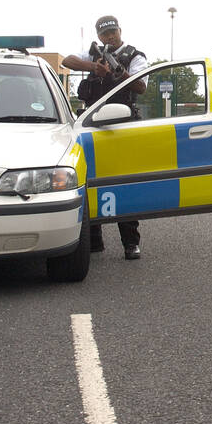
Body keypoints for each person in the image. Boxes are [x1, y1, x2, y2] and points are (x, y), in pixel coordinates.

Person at [62, 16, 148, 260]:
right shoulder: (94, 53)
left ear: (120, 31)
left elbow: (141, 86)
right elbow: (68, 61)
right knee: (88, 182)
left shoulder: (134, 56)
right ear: (99, 36)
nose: (110, 37)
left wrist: (119, 74)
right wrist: (94, 67)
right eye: (105, 34)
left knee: (124, 184)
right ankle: (94, 241)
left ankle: (131, 243)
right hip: (91, 126)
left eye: (113, 32)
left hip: (122, 126)